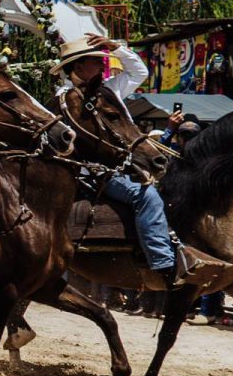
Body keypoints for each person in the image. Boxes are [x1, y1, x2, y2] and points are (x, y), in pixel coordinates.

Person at [55, 34, 200, 287]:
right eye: (96, 61)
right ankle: (163, 264)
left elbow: (139, 72)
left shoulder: (109, 89)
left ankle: (181, 246)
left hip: (131, 160)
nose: (103, 66)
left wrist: (116, 48)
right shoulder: (66, 98)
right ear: (78, 67)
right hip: (94, 170)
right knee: (146, 196)